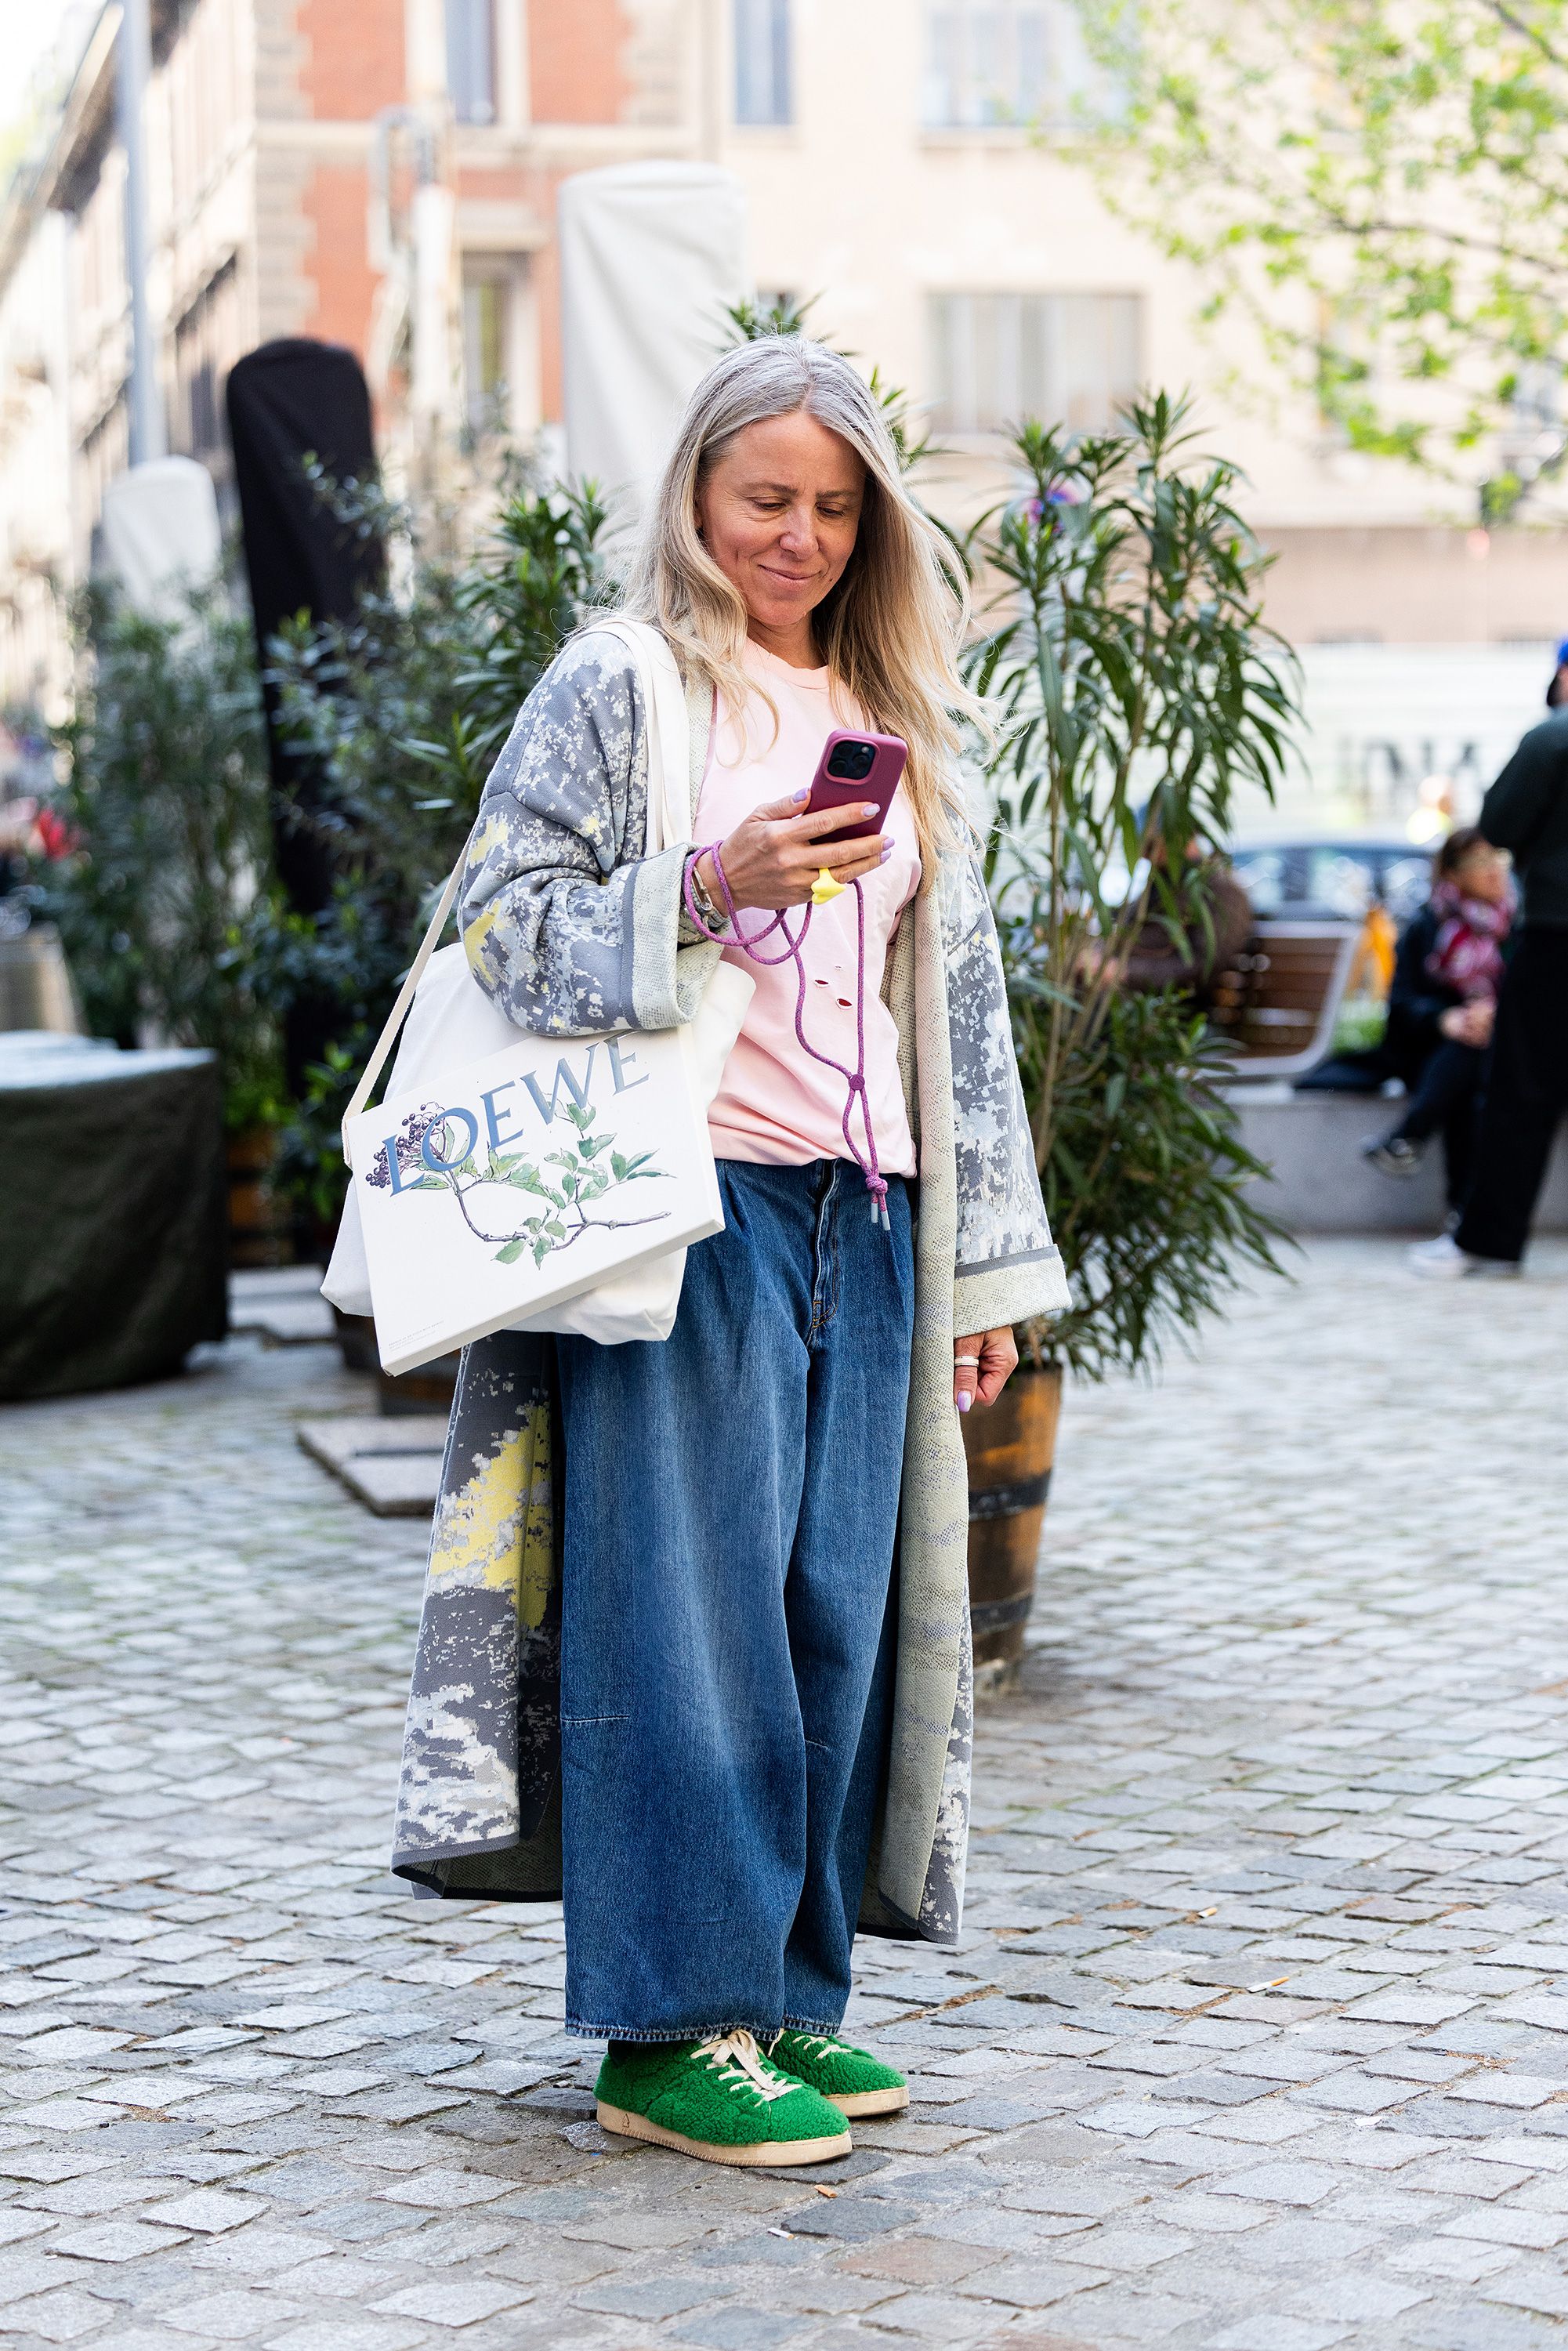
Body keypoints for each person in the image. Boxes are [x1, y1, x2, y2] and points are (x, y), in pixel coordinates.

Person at [386, 336, 1070, 2167]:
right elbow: (495, 929)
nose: (798, 534)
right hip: (685, 1203)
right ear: (693, 491)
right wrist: (706, 885)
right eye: (765, 495)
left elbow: (960, 1005)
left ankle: (775, 1997)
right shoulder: (621, 684)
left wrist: (977, 1266)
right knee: (686, 1616)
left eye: (835, 505)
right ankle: (664, 2026)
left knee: (832, 1604)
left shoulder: (884, 695)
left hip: (868, 1205)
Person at [1411, 653, 1568, 1277]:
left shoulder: (1552, 736)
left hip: (1557, 933)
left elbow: (1499, 826)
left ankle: (1487, 1242)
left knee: (1519, 1090)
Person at [1361, 828, 1513, 1217]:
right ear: (1452, 875)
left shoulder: (1517, 926)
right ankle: (1465, 1216)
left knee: (1473, 1061)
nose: (1494, 871)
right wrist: (1444, 1019)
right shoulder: (1427, 926)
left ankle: (1410, 1139)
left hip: (1508, 1051)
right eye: (1480, 863)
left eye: (1498, 858)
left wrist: (1497, 1016)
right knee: (1468, 1061)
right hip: (1431, 1054)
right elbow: (1401, 1001)